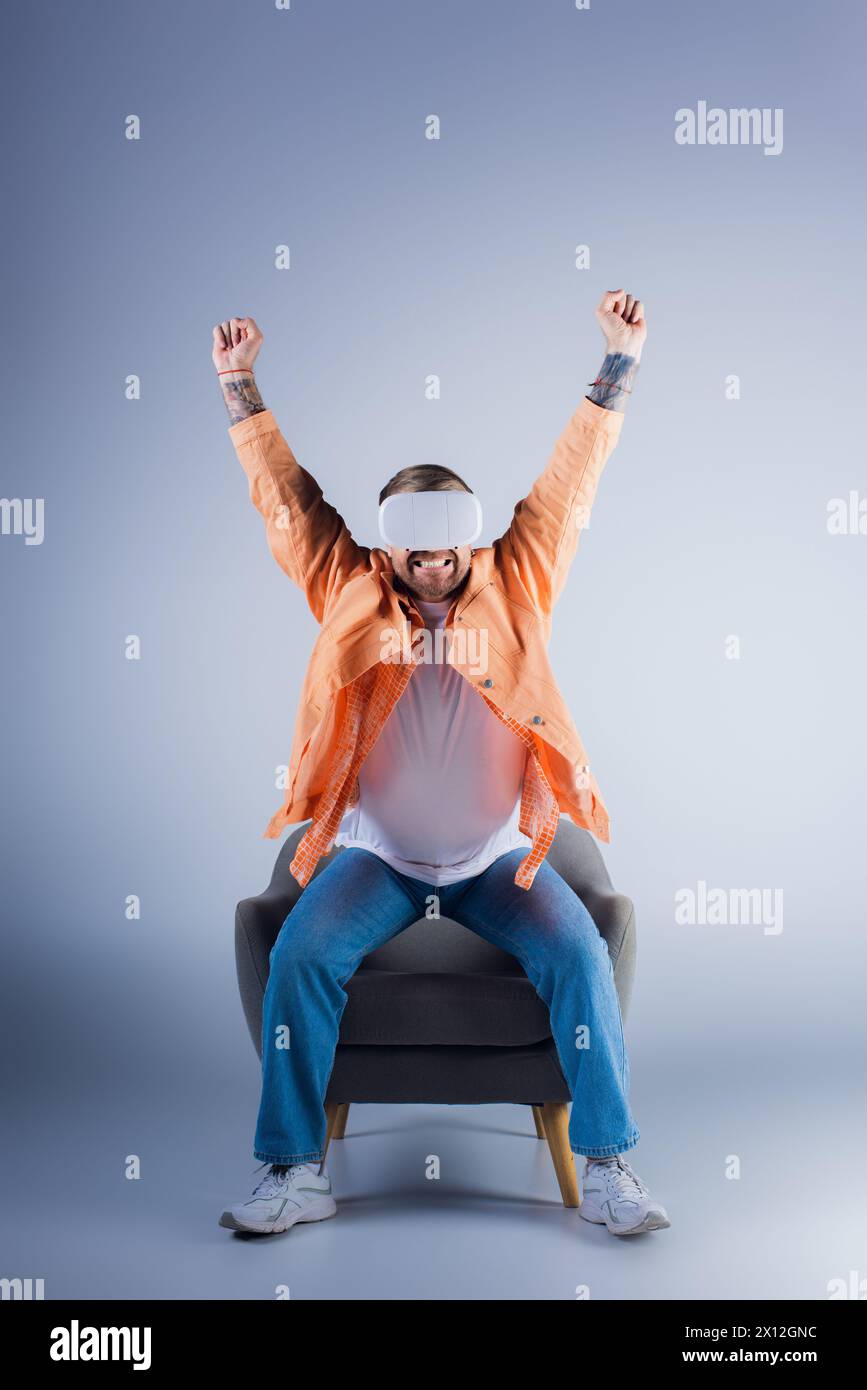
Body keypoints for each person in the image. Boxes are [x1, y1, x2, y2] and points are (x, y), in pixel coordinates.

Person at [214, 291, 669, 1238]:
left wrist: (615, 362)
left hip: (495, 858)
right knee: (299, 953)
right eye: (410, 542)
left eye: (446, 538)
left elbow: (568, 483)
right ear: (391, 540)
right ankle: (294, 1172)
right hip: (376, 858)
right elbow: (290, 507)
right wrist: (239, 386)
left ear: (469, 533)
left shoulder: (519, 580)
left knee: (581, 956)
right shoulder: (350, 588)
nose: (430, 561)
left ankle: (611, 1166)